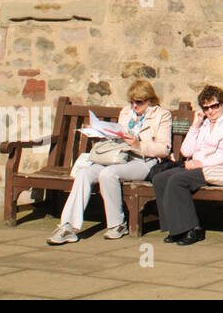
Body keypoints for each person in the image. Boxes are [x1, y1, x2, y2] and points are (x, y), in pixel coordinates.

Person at [48, 80, 172, 245]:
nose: (134, 106)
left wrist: (138, 144)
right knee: (84, 173)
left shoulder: (161, 115)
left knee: (108, 174)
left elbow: (164, 148)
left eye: (139, 102)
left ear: (150, 100)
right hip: (119, 157)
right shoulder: (126, 112)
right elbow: (118, 136)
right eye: (132, 101)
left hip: (144, 161)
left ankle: (117, 224)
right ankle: (68, 227)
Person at [151, 85, 223, 245]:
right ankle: (174, 229)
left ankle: (192, 229)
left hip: (219, 168)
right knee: (160, 179)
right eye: (206, 108)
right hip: (196, 166)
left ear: (222, 104)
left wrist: (201, 163)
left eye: (214, 106)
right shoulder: (204, 124)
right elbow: (186, 151)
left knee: (177, 180)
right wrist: (195, 125)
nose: (211, 111)